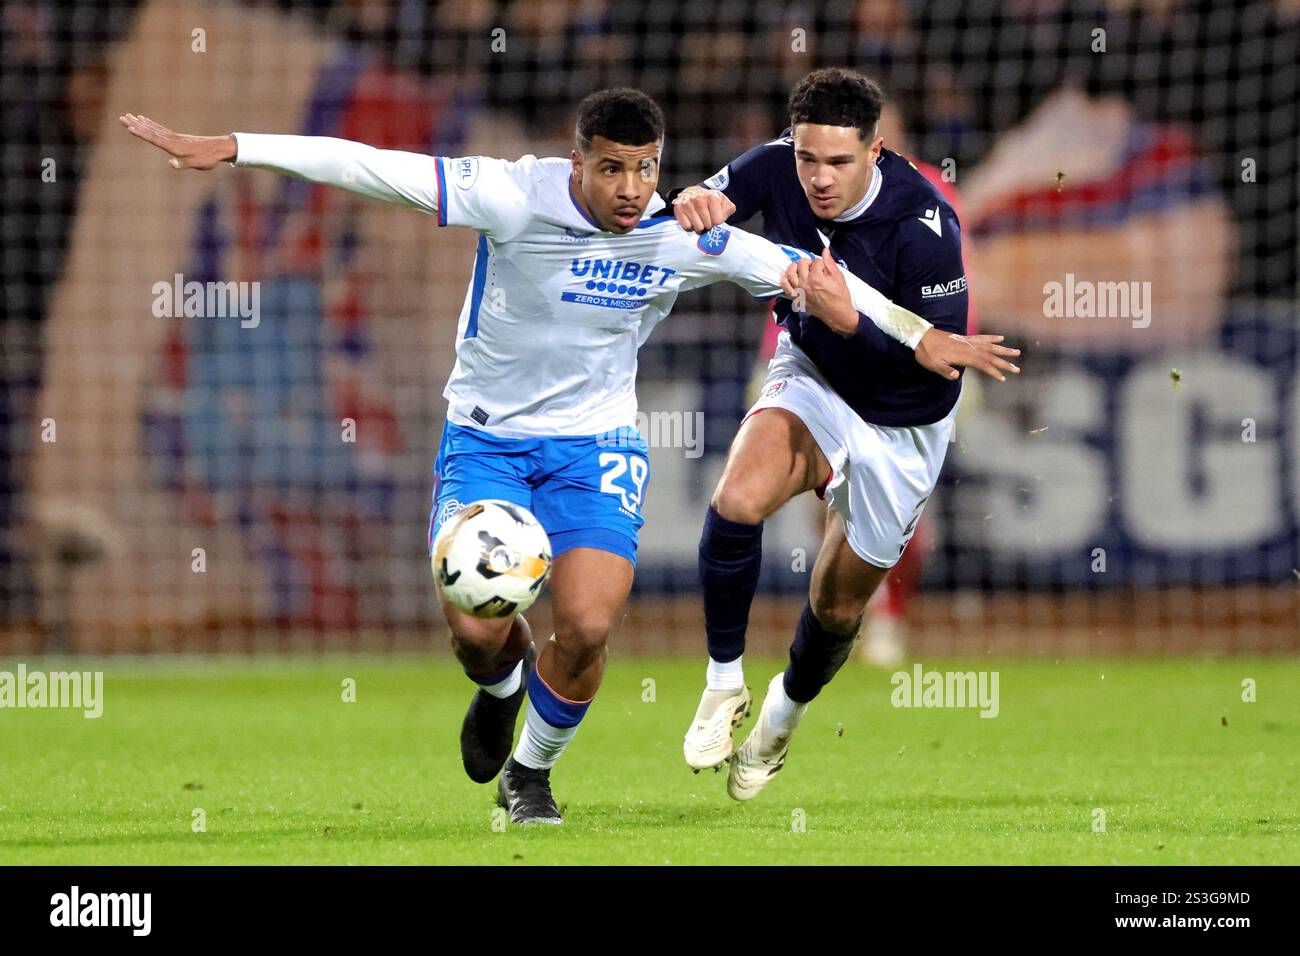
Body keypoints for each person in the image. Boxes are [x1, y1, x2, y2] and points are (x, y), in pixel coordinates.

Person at [120, 87, 1014, 824]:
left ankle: (532, 775)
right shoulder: (511, 195)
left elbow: (810, 275)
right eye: (613, 168)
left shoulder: (682, 237)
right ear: (576, 161)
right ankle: (504, 684)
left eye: (647, 169)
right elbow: (369, 167)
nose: (632, 189)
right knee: (476, 631)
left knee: (586, 624)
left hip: (598, 446)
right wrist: (234, 144)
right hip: (486, 441)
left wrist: (919, 332)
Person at [672, 68, 1018, 800]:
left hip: (904, 420)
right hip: (816, 379)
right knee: (736, 501)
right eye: (808, 159)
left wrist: (848, 319)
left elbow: (936, 367)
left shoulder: (926, 225)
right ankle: (722, 685)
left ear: (876, 152)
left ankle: (779, 719)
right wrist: (699, 198)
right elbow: (717, 199)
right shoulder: (777, 166)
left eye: (838, 162)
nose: (819, 179)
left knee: (834, 607)